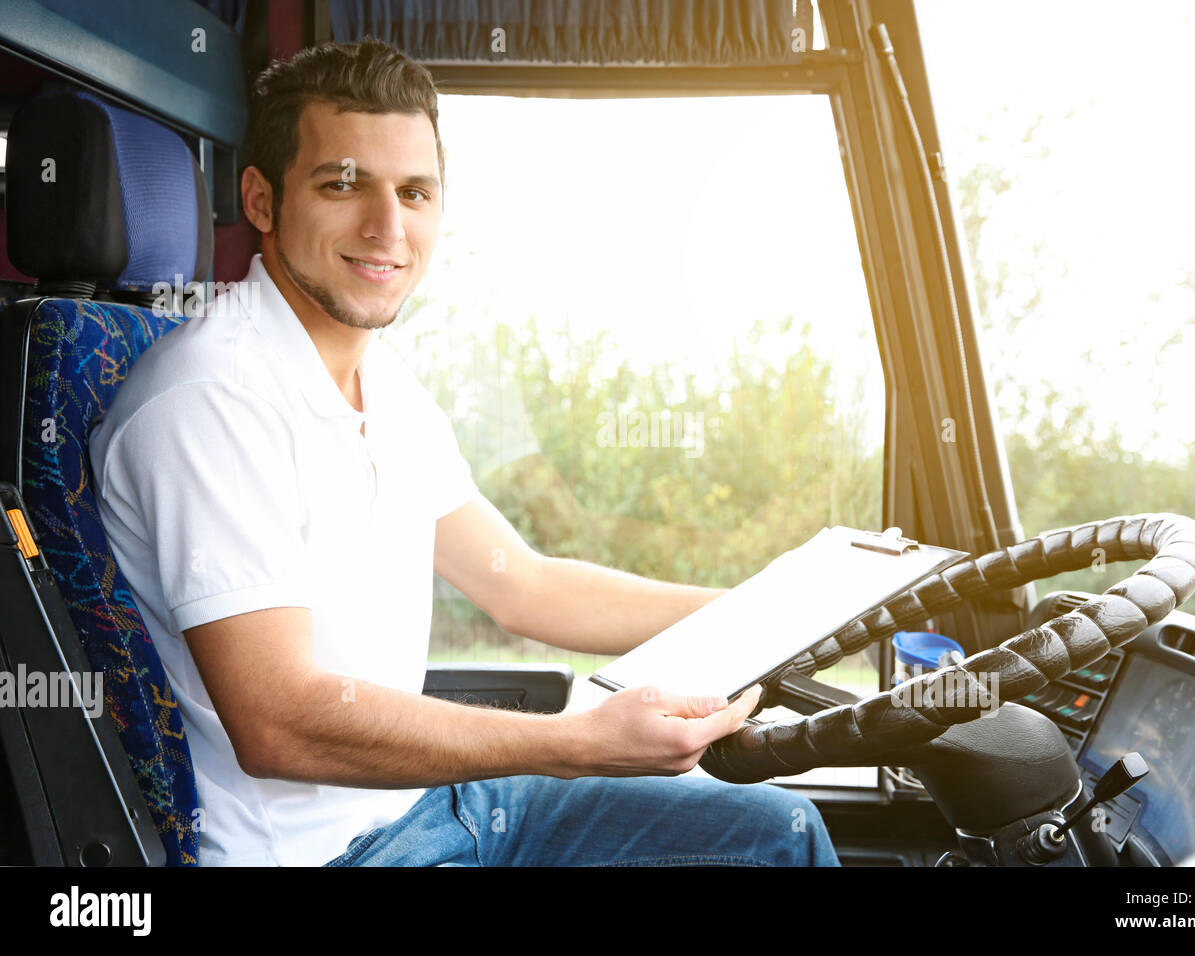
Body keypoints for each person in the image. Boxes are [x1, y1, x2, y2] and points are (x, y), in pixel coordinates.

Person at [89, 36, 839, 867]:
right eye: (343, 185)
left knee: (781, 834)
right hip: (338, 854)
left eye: (416, 193)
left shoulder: (385, 384)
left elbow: (524, 587)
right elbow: (279, 722)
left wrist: (776, 612)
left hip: (444, 804)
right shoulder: (207, 401)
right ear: (262, 200)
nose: (388, 227)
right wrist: (578, 742)